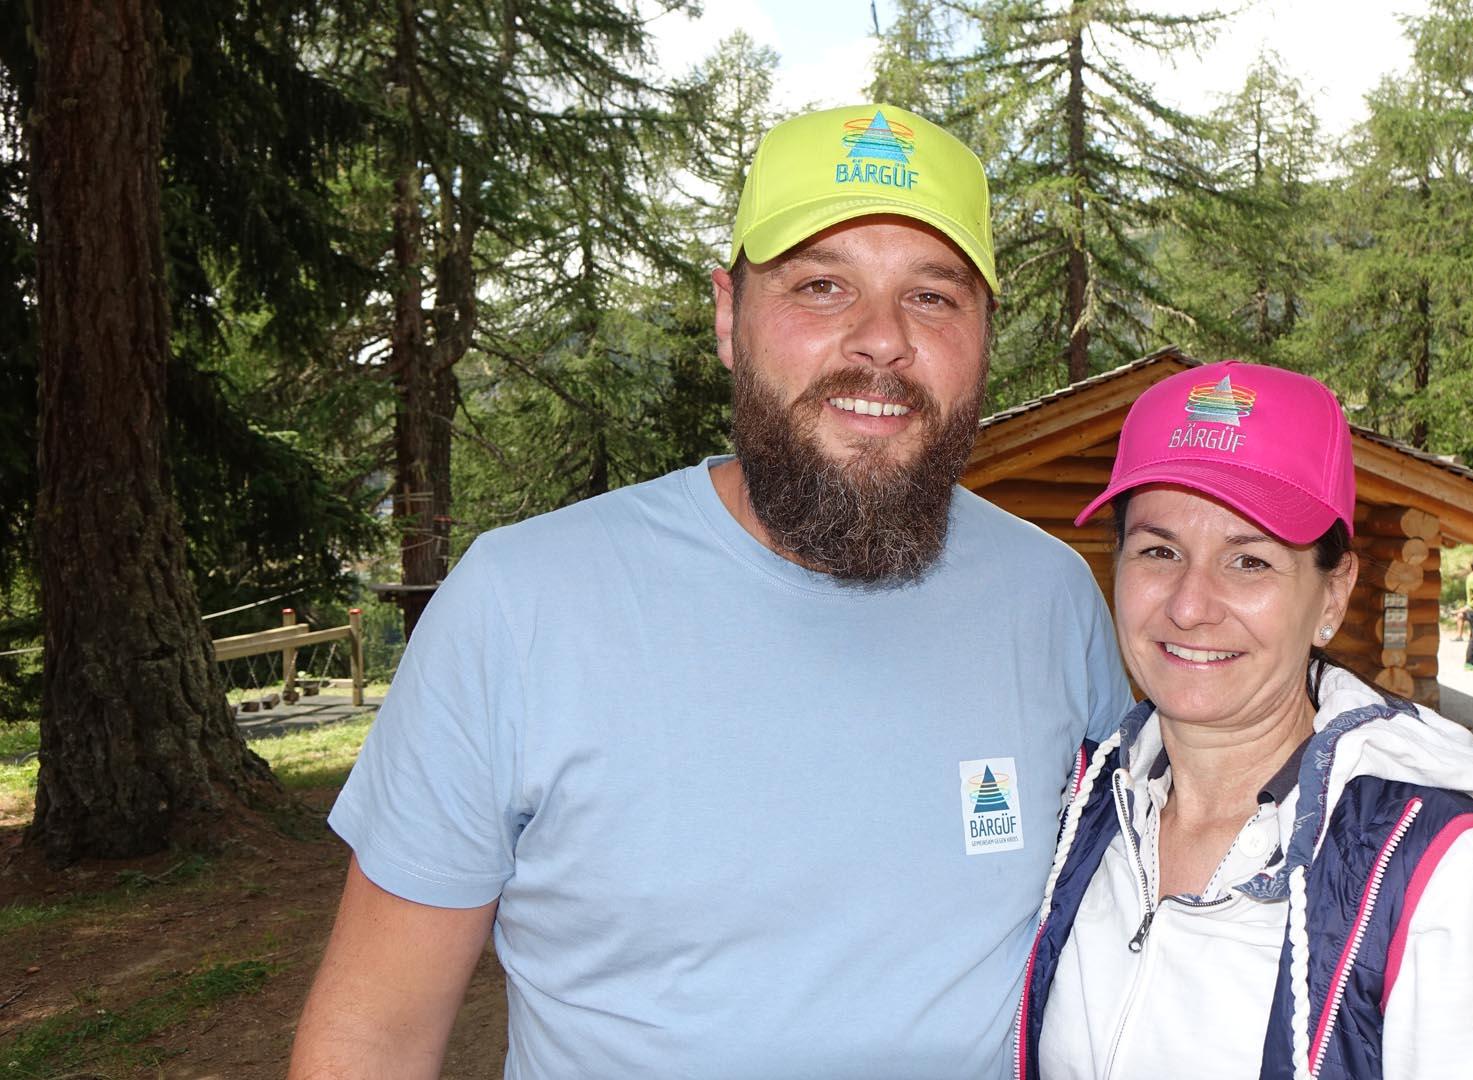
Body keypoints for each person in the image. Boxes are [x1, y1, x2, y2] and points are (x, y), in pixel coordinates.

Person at [288, 104, 1131, 1079]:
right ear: (729, 317)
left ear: (985, 334)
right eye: (822, 286)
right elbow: (372, 1038)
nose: (881, 341)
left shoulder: (1056, 603)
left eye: (933, 296)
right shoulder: (520, 609)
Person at [1018, 362, 1473, 1080]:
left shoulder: (1446, 877)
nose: (1190, 605)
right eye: (1159, 551)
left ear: (1333, 596)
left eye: (1249, 561)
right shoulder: (1090, 810)